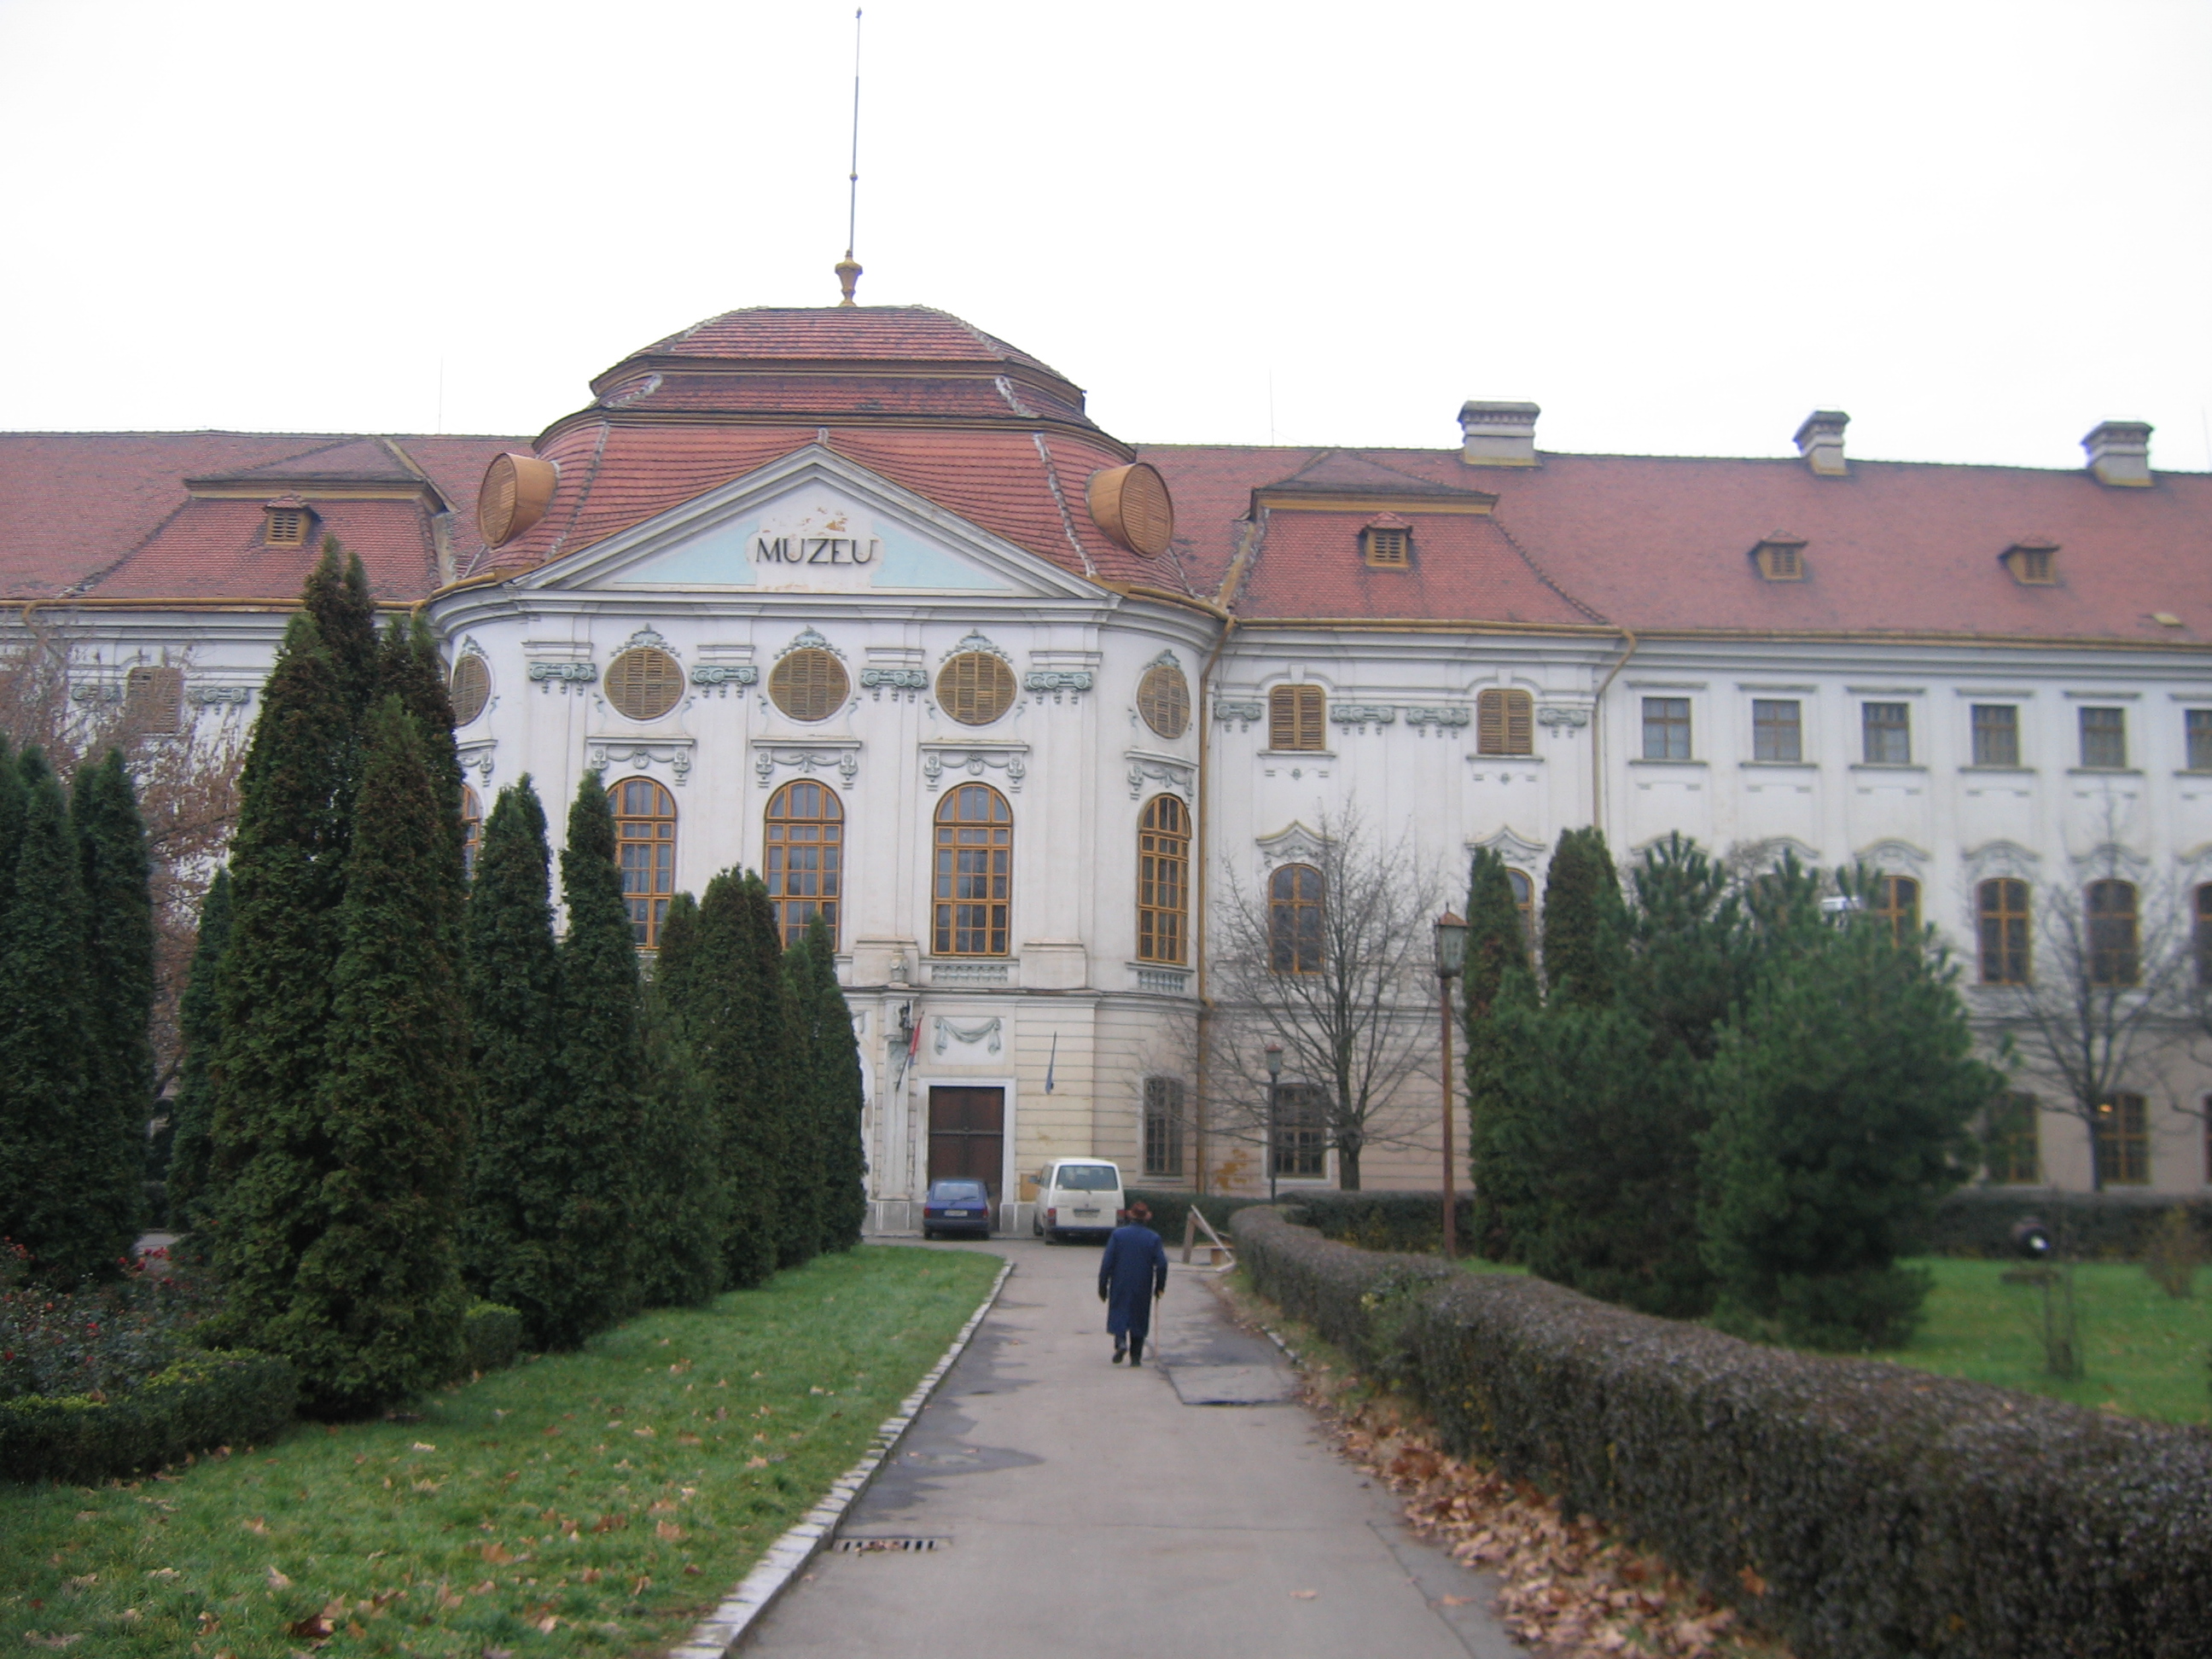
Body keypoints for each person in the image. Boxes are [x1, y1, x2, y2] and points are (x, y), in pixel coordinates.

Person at [1097, 1202, 1169, 1365]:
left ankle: (1121, 1343)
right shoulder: (1153, 1238)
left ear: (1131, 1216)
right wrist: (1160, 1287)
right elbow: (1162, 1265)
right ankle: (1136, 1357)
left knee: (1120, 1311)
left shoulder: (1118, 1235)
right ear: (1146, 1218)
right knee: (1139, 1317)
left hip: (1120, 1281)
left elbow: (1107, 1262)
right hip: (1143, 1283)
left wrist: (1102, 1286)